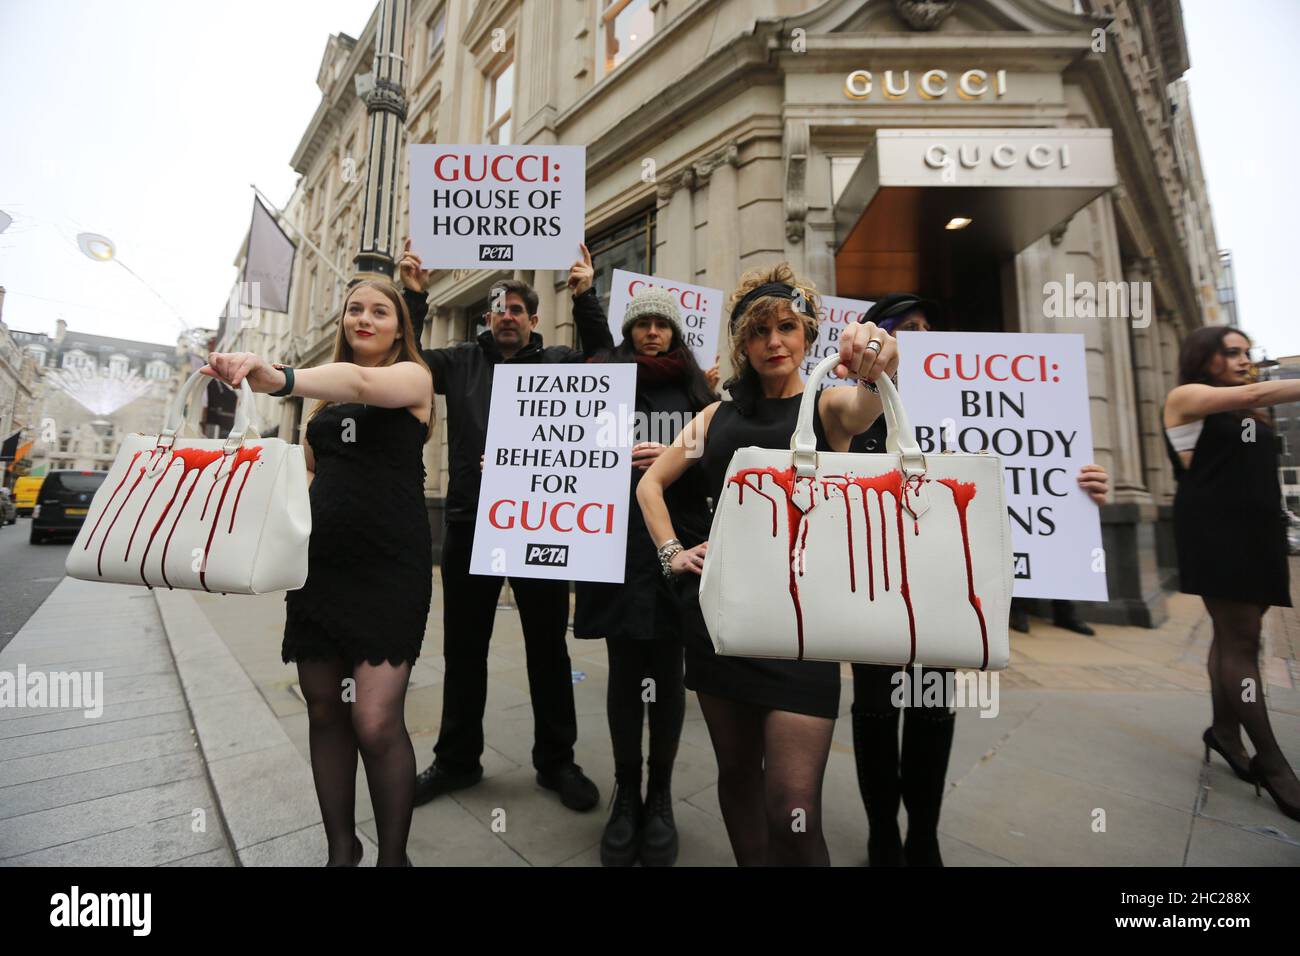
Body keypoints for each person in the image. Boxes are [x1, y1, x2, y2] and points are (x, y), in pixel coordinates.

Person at [637, 262, 895, 865]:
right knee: (736, 777)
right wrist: (673, 553)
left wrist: (882, 356)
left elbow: (865, 409)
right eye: (758, 332)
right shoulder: (713, 418)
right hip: (721, 623)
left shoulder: (828, 408)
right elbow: (651, 485)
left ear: (806, 334)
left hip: (803, 631)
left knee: (794, 810)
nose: (773, 342)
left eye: (786, 327)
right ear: (742, 345)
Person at [846, 292, 1110, 866]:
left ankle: (924, 834)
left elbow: (1016, 470)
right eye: (905, 327)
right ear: (877, 335)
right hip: (878, 579)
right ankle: (881, 833)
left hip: (943, 583)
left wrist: (1075, 486)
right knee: (874, 708)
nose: (920, 334)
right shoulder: (852, 401)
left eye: (927, 326)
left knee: (932, 705)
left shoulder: (968, 406)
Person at [202, 279, 435, 867]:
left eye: (380, 311)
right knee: (325, 707)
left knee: (375, 720)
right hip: (323, 568)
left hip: (390, 568)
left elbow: (360, 382)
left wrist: (276, 376)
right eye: (355, 308)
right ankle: (341, 850)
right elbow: (310, 477)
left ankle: (394, 858)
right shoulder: (324, 405)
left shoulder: (414, 378)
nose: (365, 317)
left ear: (398, 326)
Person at [395, 241, 613, 812]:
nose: (507, 315)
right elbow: (407, 362)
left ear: (534, 320)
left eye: (518, 309)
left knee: (548, 648)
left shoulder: (562, 363)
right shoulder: (460, 361)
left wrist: (586, 296)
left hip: (540, 527)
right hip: (470, 525)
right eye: (499, 307)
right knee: (465, 648)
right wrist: (413, 297)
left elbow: (608, 367)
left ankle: (557, 763)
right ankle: (457, 760)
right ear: (487, 315)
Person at [572, 284, 715, 866]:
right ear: (627, 331)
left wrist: (677, 458)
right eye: (642, 323)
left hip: (677, 543)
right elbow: (568, 445)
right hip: (614, 546)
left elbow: (721, 461)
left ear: (674, 330)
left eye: (661, 322)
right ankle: (625, 793)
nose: (652, 330)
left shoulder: (698, 388)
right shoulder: (603, 379)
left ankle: (660, 795)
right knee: (625, 668)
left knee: (669, 667)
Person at [1163, 325, 1300, 821]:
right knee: (1243, 642)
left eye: (1247, 352)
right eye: (1231, 352)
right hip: (1216, 534)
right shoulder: (1187, 396)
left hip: (1259, 531)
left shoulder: (1247, 412)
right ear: (1205, 357)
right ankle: (1273, 762)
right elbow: (1261, 389)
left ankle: (1224, 733)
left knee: (1233, 636)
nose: (1244, 360)